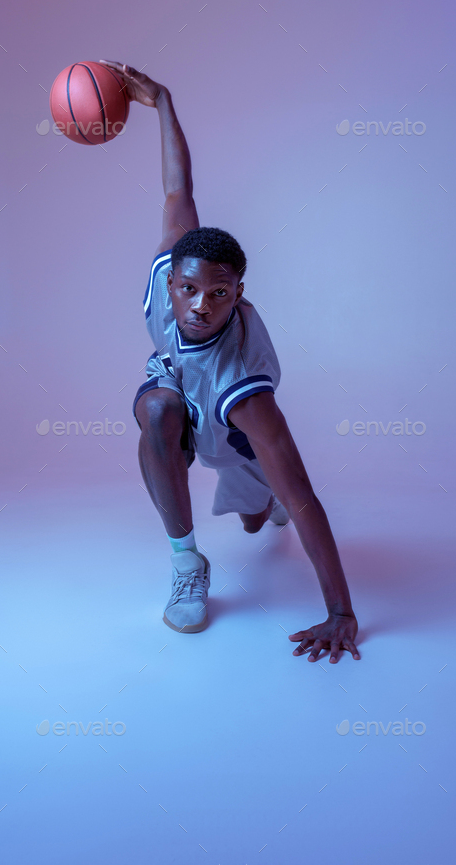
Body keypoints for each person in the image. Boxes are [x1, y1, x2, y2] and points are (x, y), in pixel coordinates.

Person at [100, 60, 360, 664]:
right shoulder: (176, 267)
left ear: (238, 294)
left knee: (260, 515)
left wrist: (341, 612)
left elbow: (305, 495)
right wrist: (161, 99)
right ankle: (187, 562)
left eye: (219, 294)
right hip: (178, 388)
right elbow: (178, 189)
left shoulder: (247, 394)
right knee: (158, 409)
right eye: (190, 290)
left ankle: (253, 504)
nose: (200, 305)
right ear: (172, 282)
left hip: (226, 428)